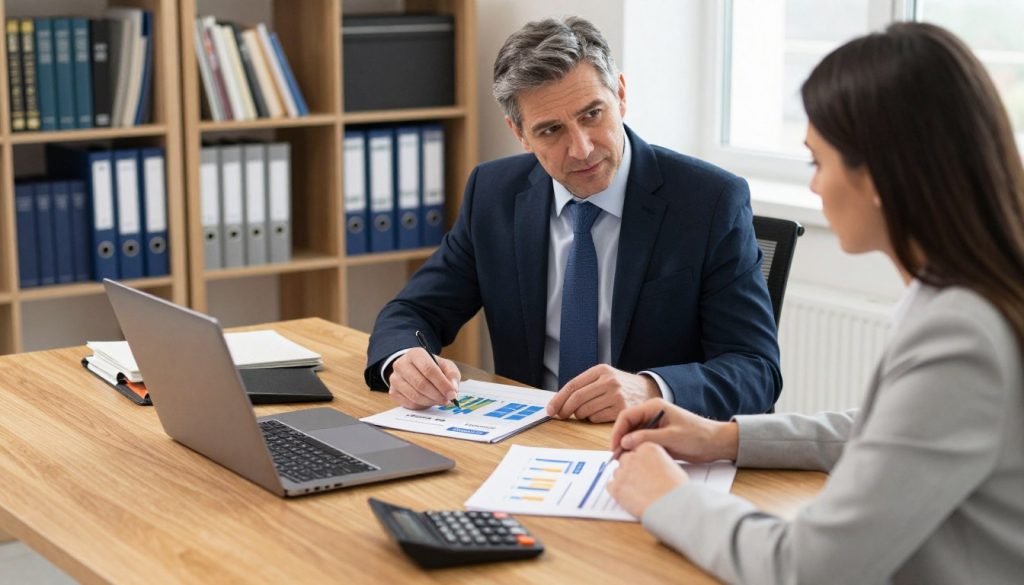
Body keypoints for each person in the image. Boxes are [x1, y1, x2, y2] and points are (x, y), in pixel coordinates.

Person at [606, 22, 1024, 584]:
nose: (815, 189)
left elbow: (806, 567)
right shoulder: (964, 294)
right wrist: (722, 438)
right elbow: (887, 431)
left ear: (878, 174)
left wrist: (666, 498)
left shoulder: (961, 334)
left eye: (817, 162)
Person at [363, 16, 780, 422]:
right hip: (527, 435)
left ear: (620, 94)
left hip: (653, 447)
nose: (581, 149)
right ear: (520, 134)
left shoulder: (709, 201)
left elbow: (755, 369)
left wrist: (651, 390)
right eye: (550, 131)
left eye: (591, 114)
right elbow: (412, 311)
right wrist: (404, 361)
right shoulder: (493, 194)